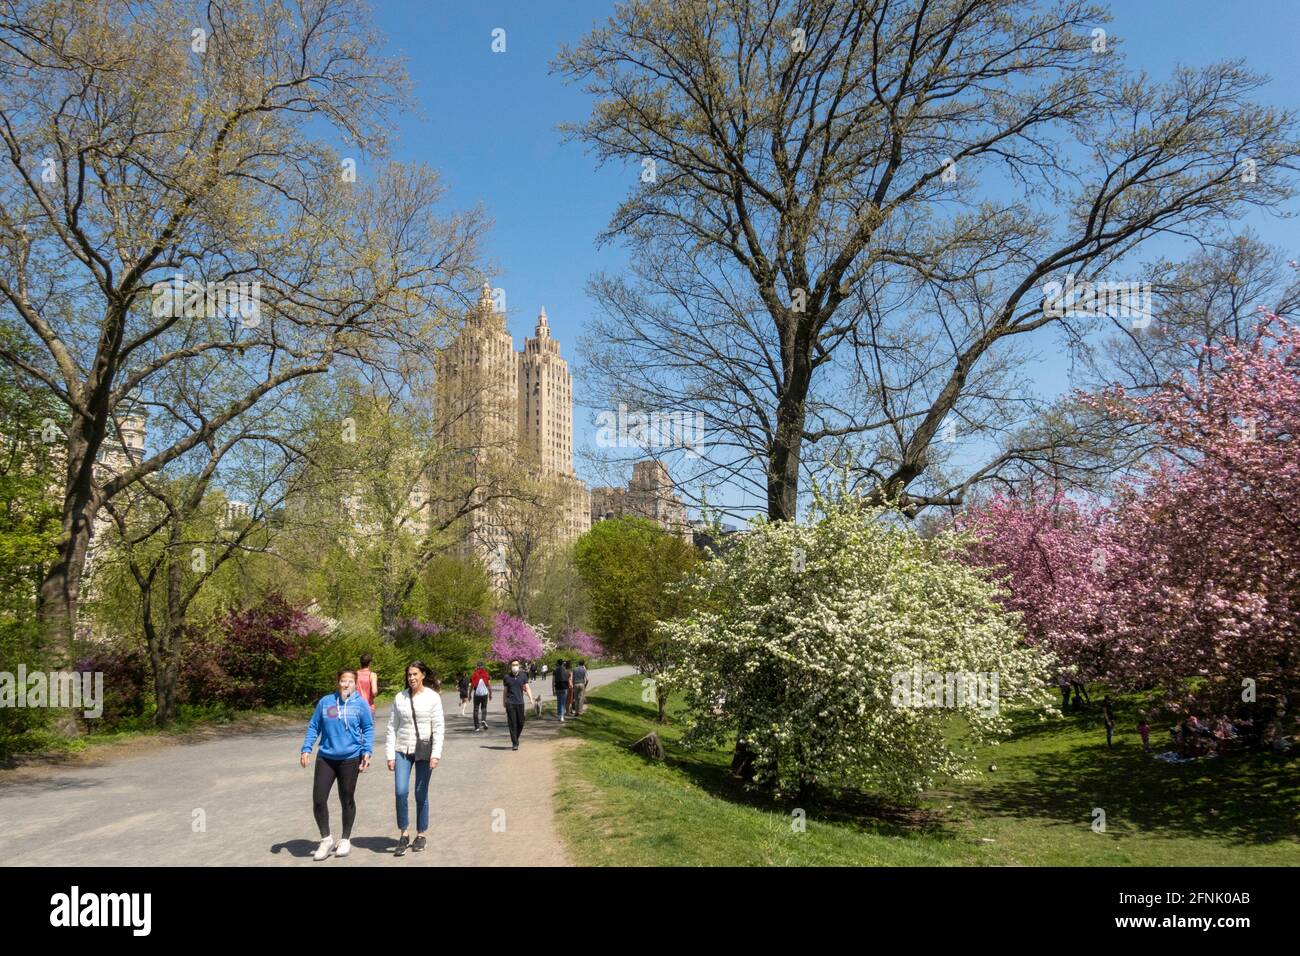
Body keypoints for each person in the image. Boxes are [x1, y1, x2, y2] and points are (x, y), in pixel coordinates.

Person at [300, 669, 374, 861]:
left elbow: (368, 727)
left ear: (355, 683)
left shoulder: (360, 704)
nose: (346, 684)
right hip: (326, 757)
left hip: (350, 757)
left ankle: (345, 839)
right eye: (343, 681)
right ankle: (326, 839)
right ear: (338, 682)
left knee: (346, 798)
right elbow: (314, 726)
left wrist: (367, 751)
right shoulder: (327, 703)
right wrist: (306, 748)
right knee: (318, 799)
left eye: (350, 681)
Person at [386, 660, 445, 857]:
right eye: (409, 675)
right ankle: (404, 833)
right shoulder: (399, 698)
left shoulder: (433, 698)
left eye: (415, 674)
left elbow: (438, 728)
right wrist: (389, 755)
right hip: (402, 750)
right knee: (401, 791)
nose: (411, 678)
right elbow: (391, 727)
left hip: (424, 751)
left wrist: (436, 754)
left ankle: (421, 834)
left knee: (421, 794)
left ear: (423, 675)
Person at [502, 659, 535, 751]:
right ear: (511, 666)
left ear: (519, 666)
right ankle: (515, 743)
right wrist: (504, 701)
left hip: (520, 702)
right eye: (513, 665)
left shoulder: (523, 676)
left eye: (516, 664)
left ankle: (515, 737)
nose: (514, 666)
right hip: (510, 703)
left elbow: (527, 688)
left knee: (521, 722)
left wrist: (530, 698)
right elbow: (505, 691)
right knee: (512, 723)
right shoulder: (507, 677)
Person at [470, 661, 492, 731]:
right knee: (484, 708)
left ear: (477, 666)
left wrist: (469, 694)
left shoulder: (474, 674)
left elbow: (471, 686)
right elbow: (489, 685)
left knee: (476, 709)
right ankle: (483, 720)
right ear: (483, 666)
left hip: (477, 694)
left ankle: (477, 727)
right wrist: (490, 694)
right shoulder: (486, 674)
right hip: (484, 694)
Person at [553, 658, 570, 722]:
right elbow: (568, 679)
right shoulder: (566, 670)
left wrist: (553, 690)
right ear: (563, 663)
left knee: (559, 702)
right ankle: (562, 716)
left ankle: (559, 715)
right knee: (563, 702)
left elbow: (553, 681)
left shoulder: (555, 670)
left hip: (557, 687)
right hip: (564, 687)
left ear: (557, 663)